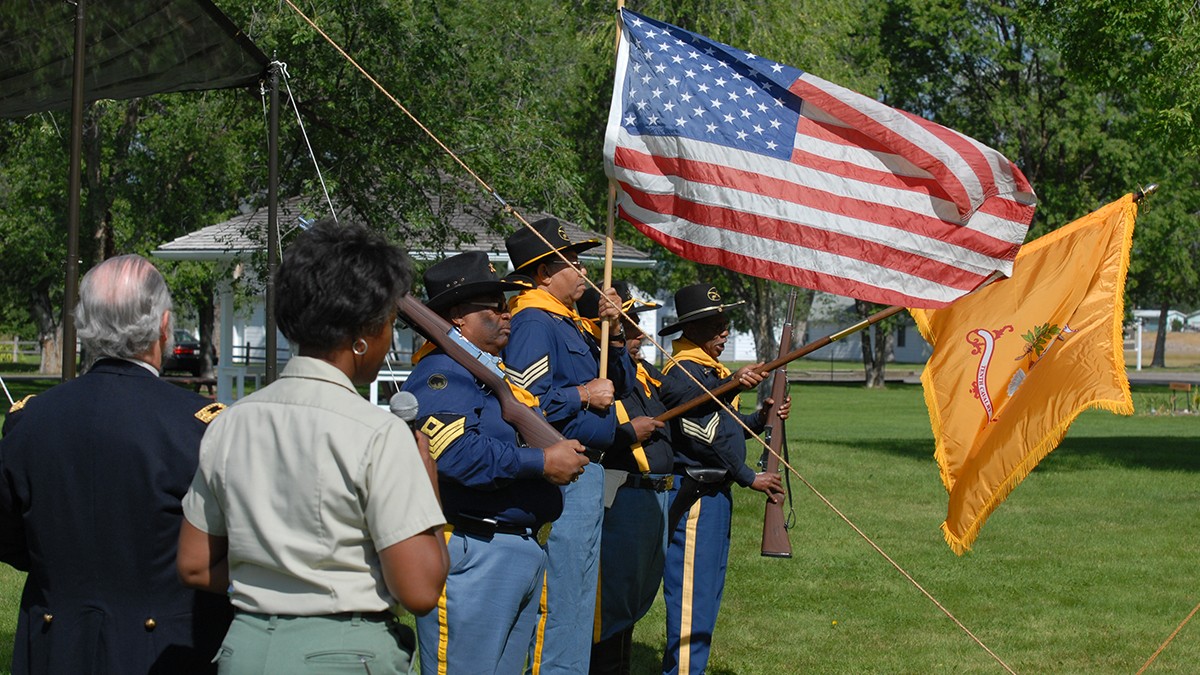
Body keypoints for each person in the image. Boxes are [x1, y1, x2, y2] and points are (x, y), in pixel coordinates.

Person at [177, 220, 448, 674]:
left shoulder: (231, 423)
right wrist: (429, 488)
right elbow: (420, 590)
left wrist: (275, 583)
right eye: (388, 322)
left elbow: (194, 564)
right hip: (344, 651)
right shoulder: (377, 434)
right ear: (364, 332)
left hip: (246, 647)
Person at [0, 254, 232, 673]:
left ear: (84, 323)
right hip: (167, 653)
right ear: (164, 325)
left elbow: (9, 538)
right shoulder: (197, 427)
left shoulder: (30, 420)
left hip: (56, 649)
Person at [402, 251, 590, 674]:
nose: (507, 315)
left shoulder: (492, 373)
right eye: (492, 307)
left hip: (515, 547)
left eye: (504, 305)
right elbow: (453, 454)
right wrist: (539, 462)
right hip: (475, 549)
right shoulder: (441, 373)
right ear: (456, 318)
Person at [502, 218, 660, 674]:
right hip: (562, 469)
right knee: (561, 591)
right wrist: (581, 395)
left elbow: (622, 382)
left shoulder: (572, 322)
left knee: (579, 591)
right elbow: (524, 406)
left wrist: (609, 327)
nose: (583, 271)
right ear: (543, 274)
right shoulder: (533, 320)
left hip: (588, 468)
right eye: (571, 262)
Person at [658, 283, 789, 675]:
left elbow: (726, 427)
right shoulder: (682, 372)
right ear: (693, 328)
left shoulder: (706, 371)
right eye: (715, 324)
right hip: (696, 495)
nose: (724, 330)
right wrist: (750, 477)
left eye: (724, 322)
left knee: (707, 599)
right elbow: (702, 435)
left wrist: (760, 418)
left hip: (715, 493)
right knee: (691, 603)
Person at [577, 283, 678, 675]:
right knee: (609, 601)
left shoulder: (643, 373)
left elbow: (686, 395)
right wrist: (625, 435)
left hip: (652, 497)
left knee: (633, 599)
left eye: (634, 326)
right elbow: (583, 433)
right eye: (625, 326)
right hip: (619, 494)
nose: (637, 335)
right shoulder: (598, 374)